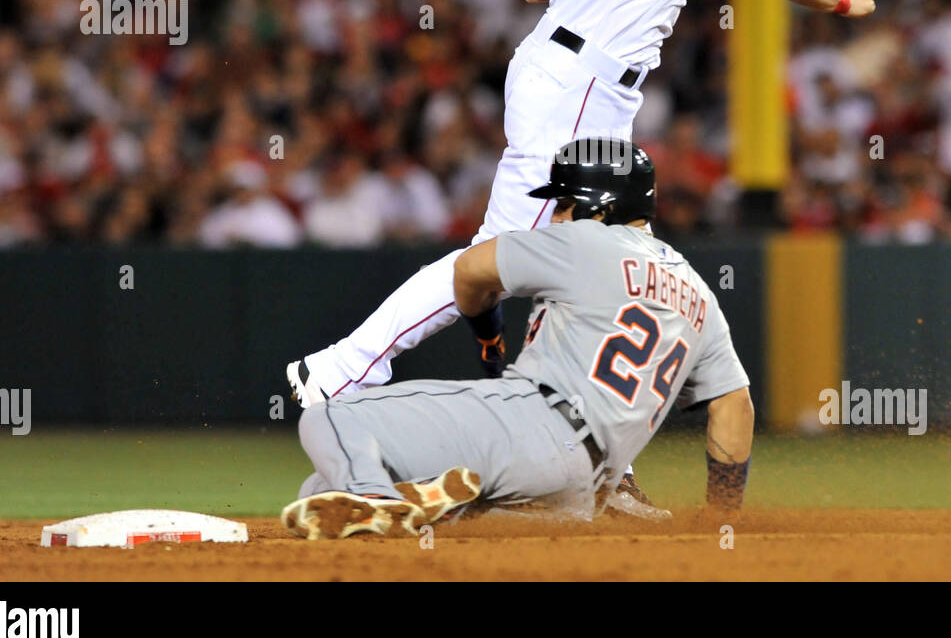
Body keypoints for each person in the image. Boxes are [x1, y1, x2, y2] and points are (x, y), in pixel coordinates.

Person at [285, 0, 872, 514]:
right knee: (495, 257)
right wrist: (843, 1)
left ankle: (600, 471)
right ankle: (340, 369)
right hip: (588, 84)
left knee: (580, 265)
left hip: (556, 67)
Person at [281, 139, 754, 538]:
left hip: (531, 423)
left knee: (331, 418)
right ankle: (423, 502)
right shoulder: (699, 294)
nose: (555, 215)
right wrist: (722, 514)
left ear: (600, 207)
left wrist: (488, 335)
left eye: (564, 203)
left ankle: (378, 504)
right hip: (584, 487)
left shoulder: (586, 240)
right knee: (317, 494)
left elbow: (470, 269)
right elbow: (734, 407)